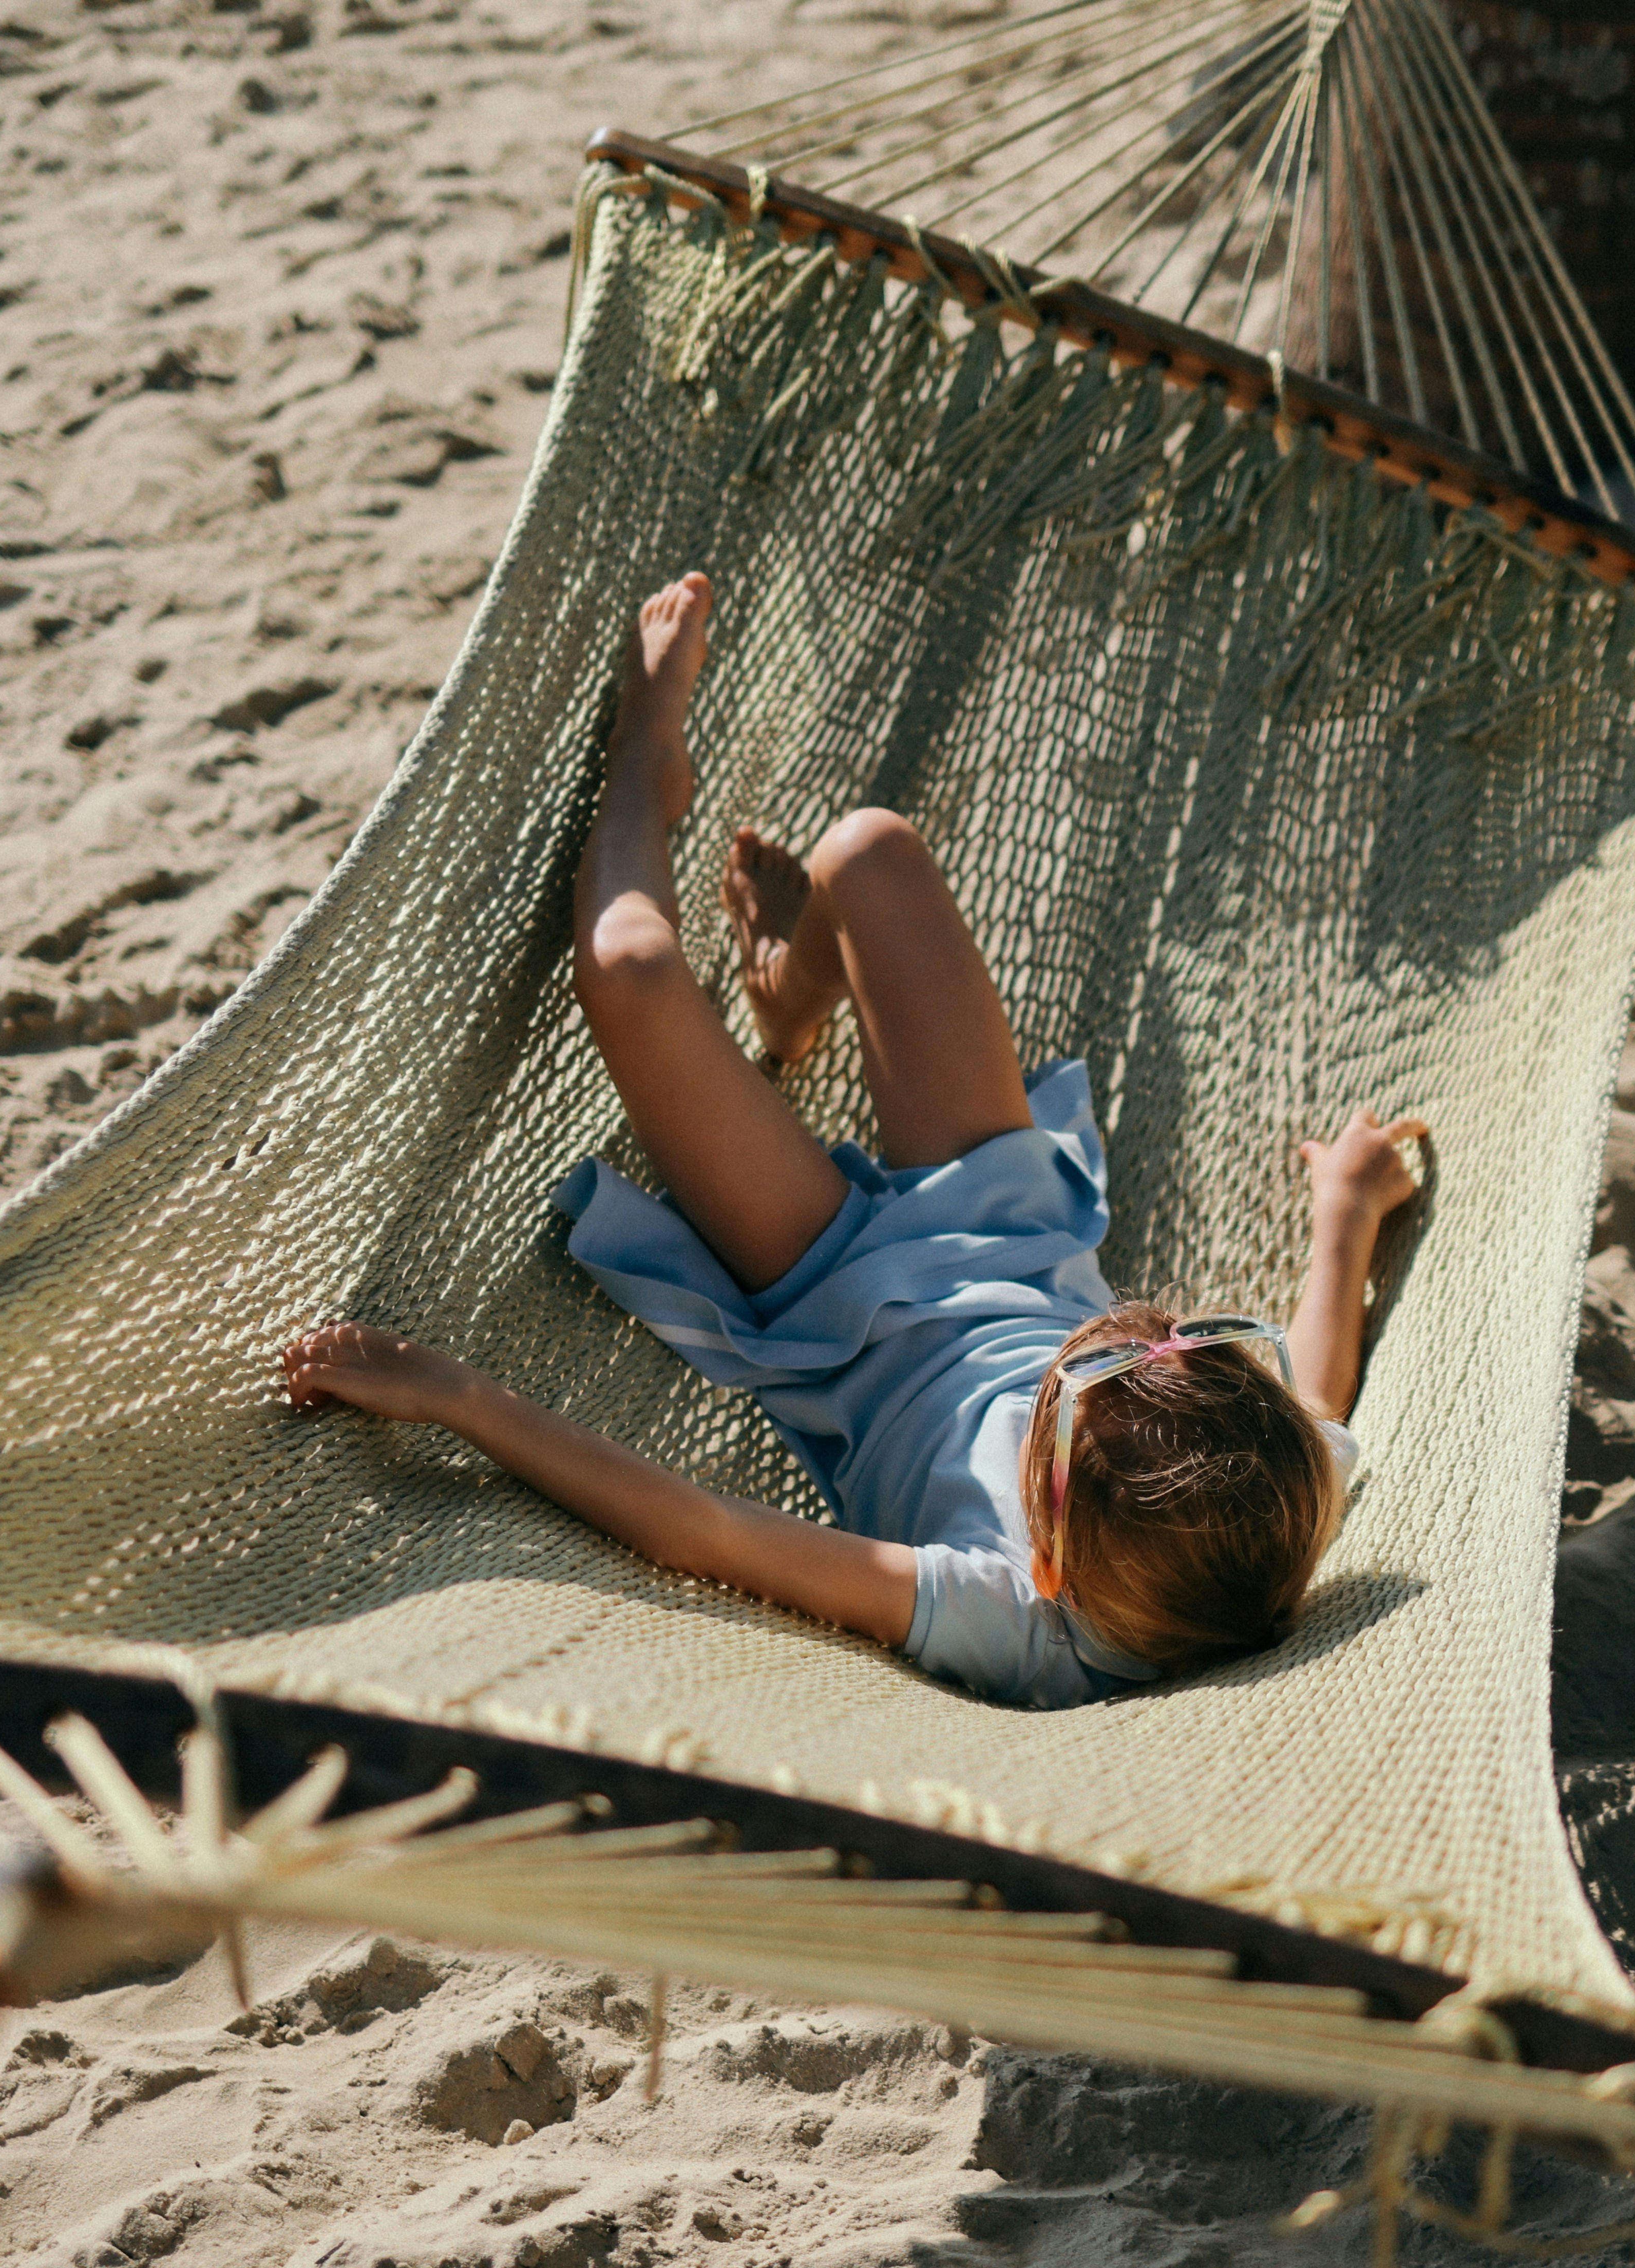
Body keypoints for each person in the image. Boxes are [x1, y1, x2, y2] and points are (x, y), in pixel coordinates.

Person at [280, 574, 1428, 1709]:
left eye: (1079, 1383)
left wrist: (461, 1400)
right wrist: (1346, 1213)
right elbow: (1320, 1399)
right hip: (1010, 1226)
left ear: (1047, 1554)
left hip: (836, 1300)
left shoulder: (1013, 1621)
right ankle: (790, 994)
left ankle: (645, 769)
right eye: (1186, 1339)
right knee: (869, 850)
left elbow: (704, 1532)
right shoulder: (1274, 1505)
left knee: (632, 970)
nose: (1150, 1334)